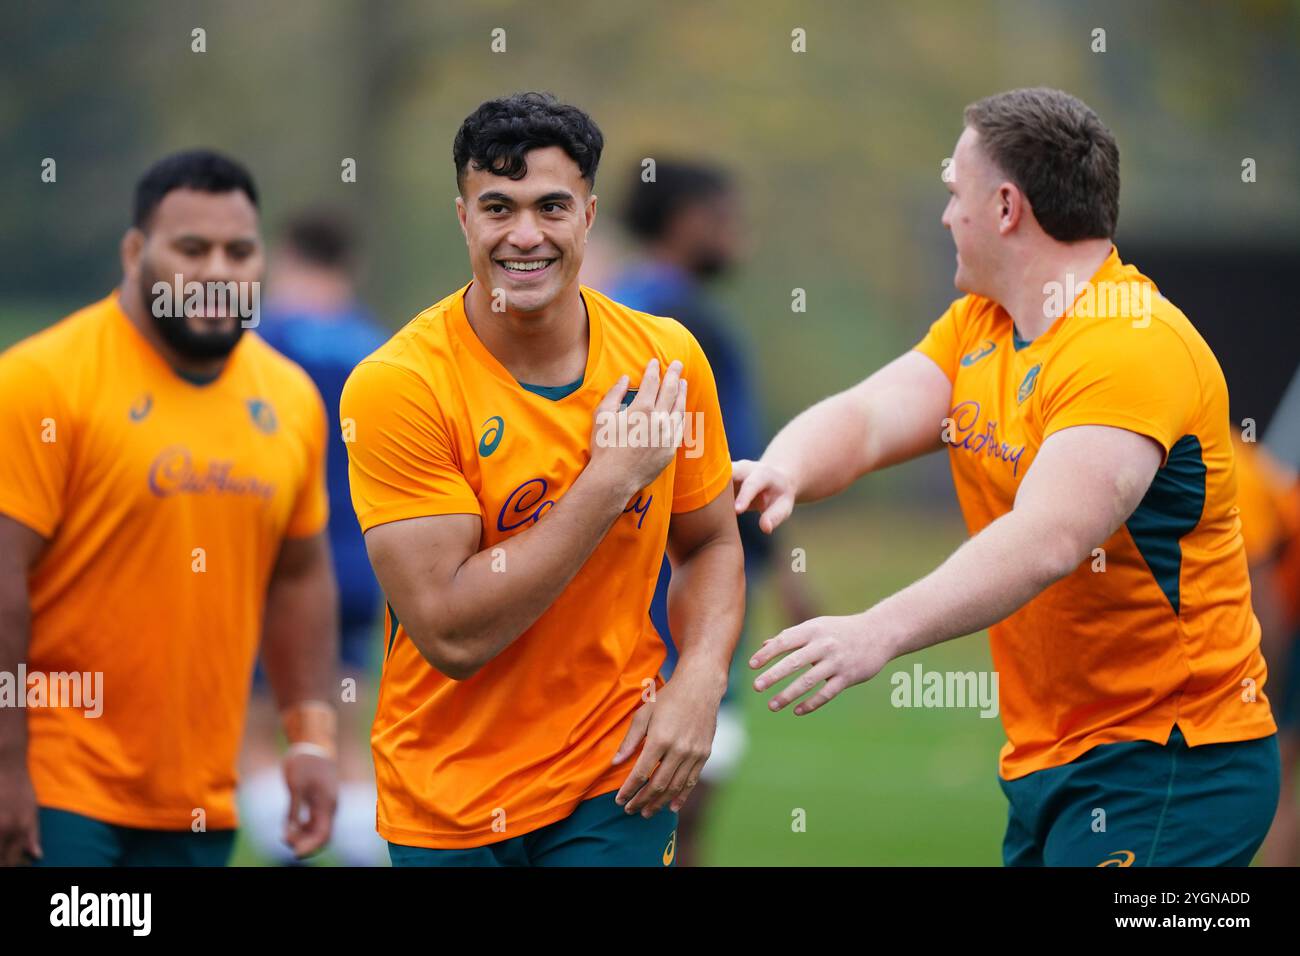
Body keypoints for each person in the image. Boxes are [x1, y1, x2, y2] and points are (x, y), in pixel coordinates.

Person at [735, 87, 1280, 866]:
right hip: (1051, 759)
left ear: (1004, 207)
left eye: (955, 194)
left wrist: (876, 631)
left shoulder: (1129, 346)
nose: (946, 215)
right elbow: (868, 417)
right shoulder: (984, 324)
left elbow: (1048, 539)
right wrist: (783, 469)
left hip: (1171, 759)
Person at [340, 91, 745, 866]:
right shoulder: (398, 385)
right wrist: (609, 482)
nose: (525, 235)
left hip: (614, 776)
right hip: (447, 793)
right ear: (463, 218)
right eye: (498, 207)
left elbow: (710, 544)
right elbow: (454, 633)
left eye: (551, 207)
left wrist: (698, 686)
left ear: (589, 215)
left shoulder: (666, 360)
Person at [0, 150, 339, 866]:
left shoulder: (290, 399)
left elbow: (299, 576)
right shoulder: (40, 384)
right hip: (58, 788)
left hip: (199, 802)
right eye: (192, 248)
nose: (218, 271)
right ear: (134, 252)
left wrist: (310, 737)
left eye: (239, 251)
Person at [608, 160, 816, 865]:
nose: (740, 239)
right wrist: (785, 565)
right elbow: (734, 466)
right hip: (682, 579)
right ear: (686, 220)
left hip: (650, 573)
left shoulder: (618, 303)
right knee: (673, 798)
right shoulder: (680, 323)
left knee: (654, 794)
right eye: (726, 220)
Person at [239, 210, 389, 866]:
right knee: (342, 726)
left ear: (285, 257)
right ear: (349, 266)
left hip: (281, 559)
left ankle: (288, 851)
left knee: (257, 730)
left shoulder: (260, 342)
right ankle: (362, 852)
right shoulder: (379, 346)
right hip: (361, 561)